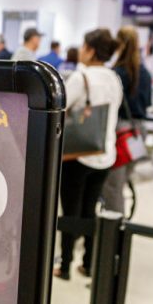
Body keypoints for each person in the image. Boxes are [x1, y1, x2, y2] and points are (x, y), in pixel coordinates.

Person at [54, 29, 123, 280]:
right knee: (89, 210)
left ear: (91, 50)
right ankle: (89, 263)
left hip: (78, 156)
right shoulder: (114, 78)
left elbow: (59, 107)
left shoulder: (81, 77)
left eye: (83, 46)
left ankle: (65, 266)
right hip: (105, 154)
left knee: (70, 212)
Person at [101, 26, 153, 215]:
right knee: (121, 182)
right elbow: (148, 103)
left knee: (112, 187)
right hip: (139, 133)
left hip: (121, 132)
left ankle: (114, 229)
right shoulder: (145, 73)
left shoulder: (116, 73)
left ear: (120, 44)